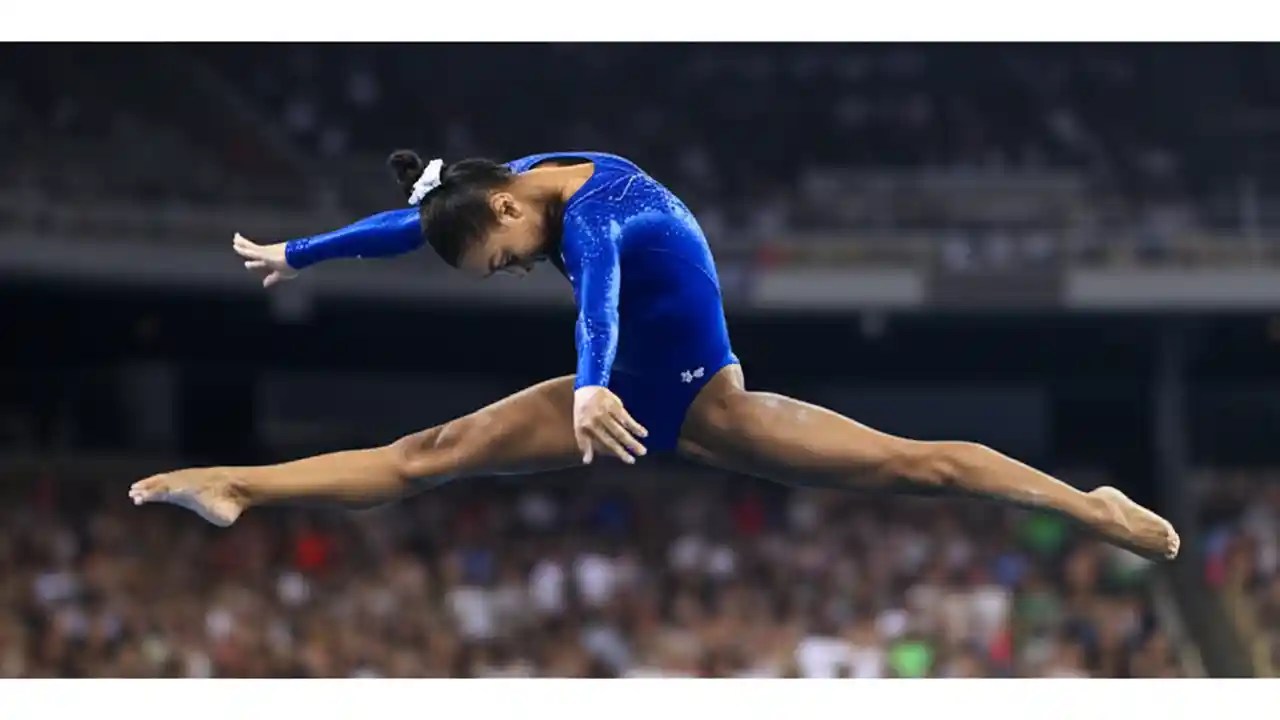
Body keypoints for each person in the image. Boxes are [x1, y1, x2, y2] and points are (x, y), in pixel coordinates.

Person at [129, 150, 1179, 561]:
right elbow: (415, 222)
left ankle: (1086, 504)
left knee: (921, 465)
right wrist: (300, 254)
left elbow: (601, 298)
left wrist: (590, 390)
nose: (502, 270)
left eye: (498, 260)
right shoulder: (511, 186)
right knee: (427, 453)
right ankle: (233, 483)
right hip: (615, 387)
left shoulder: (592, 223)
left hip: (702, 400)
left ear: (511, 207)